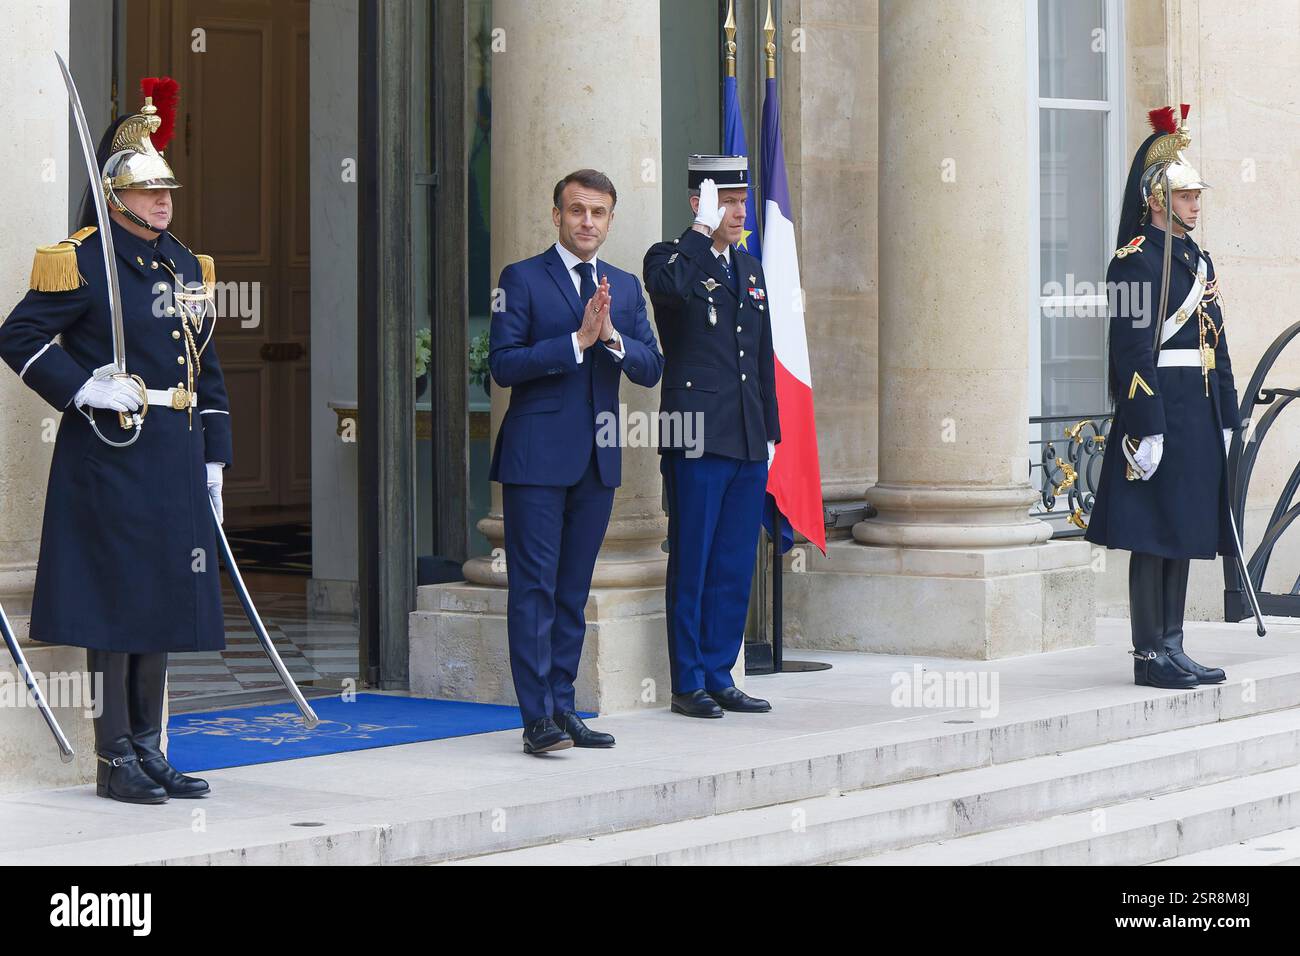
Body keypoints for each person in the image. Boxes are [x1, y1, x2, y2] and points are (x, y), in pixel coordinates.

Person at [0, 78, 231, 802]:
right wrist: (82, 386)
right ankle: (113, 758)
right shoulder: (83, 259)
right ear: (117, 195)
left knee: (160, 603)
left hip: (174, 450)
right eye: (148, 190)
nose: (163, 201)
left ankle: (150, 746)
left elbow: (207, 363)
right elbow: (19, 336)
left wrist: (217, 458)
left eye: (167, 189)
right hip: (113, 451)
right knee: (115, 609)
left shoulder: (187, 263)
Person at [489, 168, 663, 754]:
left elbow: (650, 365)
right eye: (576, 211)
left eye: (598, 213)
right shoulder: (521, 279)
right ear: (557, 215)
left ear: (610, 220)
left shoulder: (624, 284)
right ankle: (535, 717)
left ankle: (564, 708)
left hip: (597, 460)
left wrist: (611, 337)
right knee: (533, 590)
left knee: (572, 592)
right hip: (536, 460)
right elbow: (504, 364)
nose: (587, 222)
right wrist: (576, 342)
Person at [1084, 104, 1240, 690]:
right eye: (1186, 196)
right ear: (1156, 198)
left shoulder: (1199, 260)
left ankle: (1173, 644)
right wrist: (1144, 424)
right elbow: (1130, 351)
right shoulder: (1132, 263)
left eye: (1198, 196)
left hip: (1195, 409)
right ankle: (1148, 654)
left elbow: (1216, 344)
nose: (1196, 205)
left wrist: (1224, 413)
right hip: (1156, 412)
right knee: (1152, 534)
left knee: (1182, 529)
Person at [642, 155, 779, 719]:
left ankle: (722, 671)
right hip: (695, 437)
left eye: (742, 200)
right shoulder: (671, 259)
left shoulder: (749, 268)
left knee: (731, 561)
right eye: (726, 199)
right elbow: (668, 291)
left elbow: (761, 357)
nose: (738, 210)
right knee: (693, 560)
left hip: (746, 437)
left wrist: (770, 430)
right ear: (700, 203)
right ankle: (688, 680)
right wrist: (699, 231)